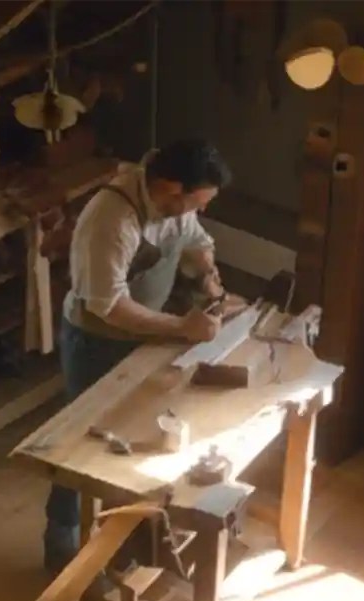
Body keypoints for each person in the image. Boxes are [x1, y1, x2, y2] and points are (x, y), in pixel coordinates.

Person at [43, 138, 233, 573]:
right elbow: (107, 306)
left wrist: (207, 275)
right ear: (170, 188)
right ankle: (62, 542)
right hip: (95, 341)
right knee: (82, 449)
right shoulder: (110, 219)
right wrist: (182, 328)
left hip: (143, 332)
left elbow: (196, 238)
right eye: (194, 203)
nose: (195, 213)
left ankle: (120, 544)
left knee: (133, 443)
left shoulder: (174, 209)